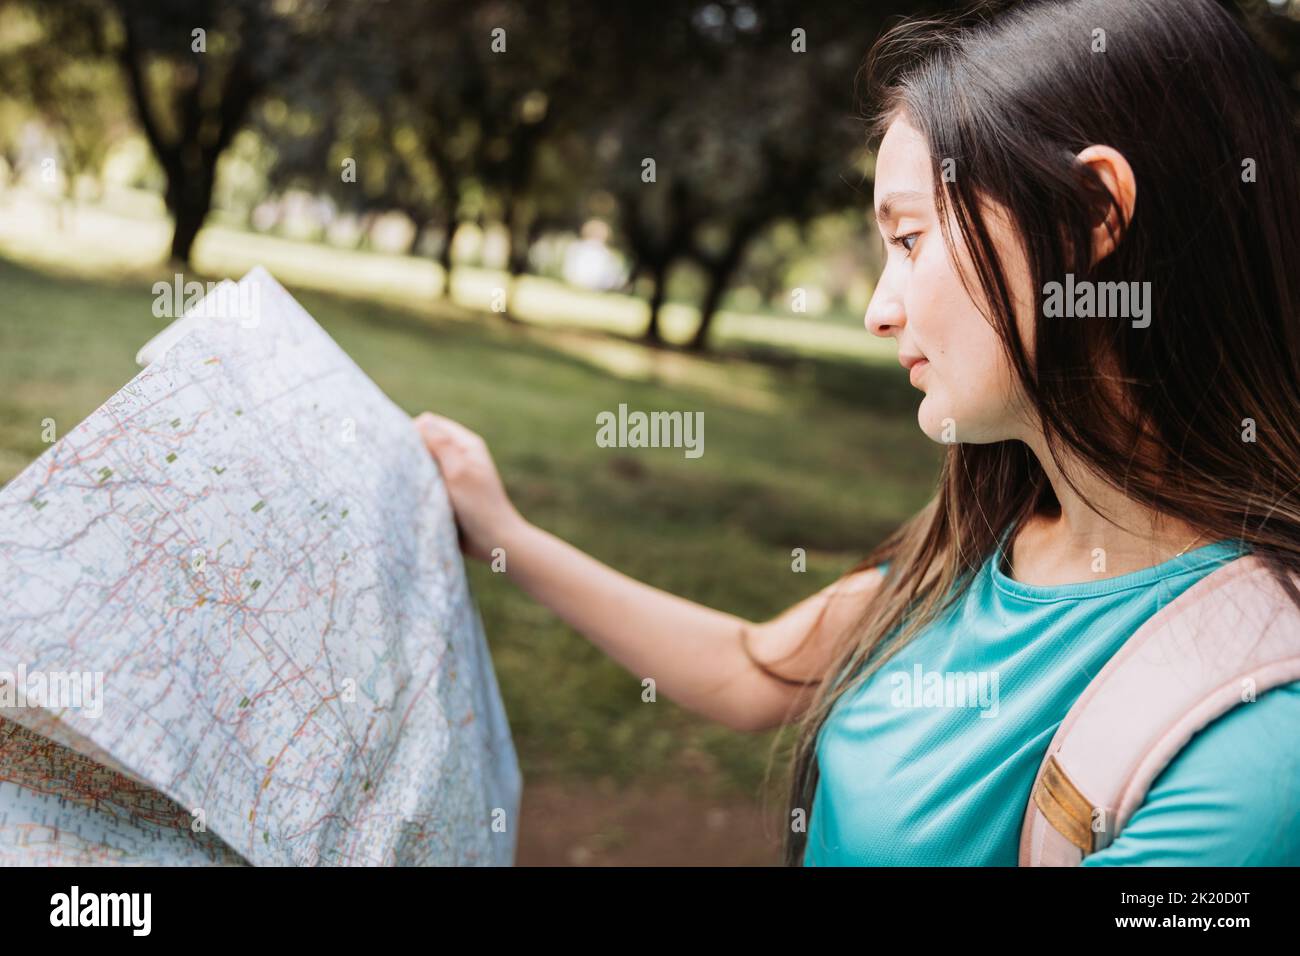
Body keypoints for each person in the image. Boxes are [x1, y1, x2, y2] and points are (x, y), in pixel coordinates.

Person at [413, 0, 1300, 865]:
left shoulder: (1259, 737)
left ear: (1088, 216)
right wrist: (506, 537)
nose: (879, 311)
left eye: (909, 239)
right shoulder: (977, 542)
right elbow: (753, 670)